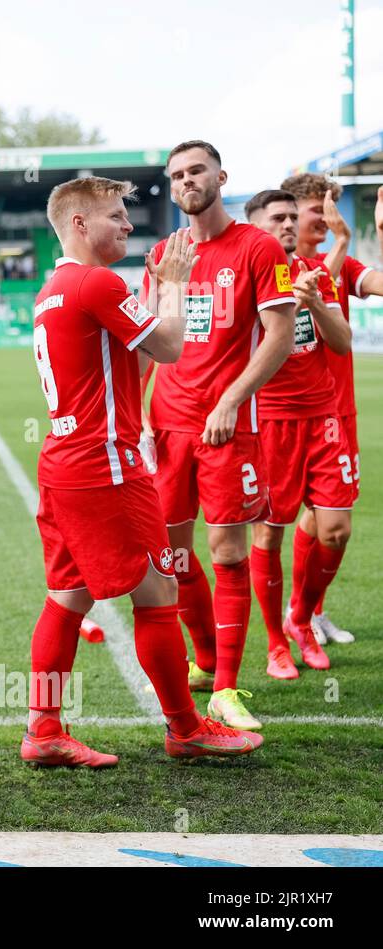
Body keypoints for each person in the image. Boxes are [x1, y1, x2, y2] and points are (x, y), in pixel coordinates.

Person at [23, 176, 260, 767]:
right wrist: (175, 284)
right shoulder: (96, 281)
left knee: (66, 598)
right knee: (157, 595)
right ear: (79, 224)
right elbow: (173, 347)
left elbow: (126, 347)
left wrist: (154, 293)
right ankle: (185, 729)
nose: (128, 225)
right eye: (115, 215)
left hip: (64, 461)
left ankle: (45, 729)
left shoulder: (54, 287)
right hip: (104, 466)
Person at [140, 141, 296, 731]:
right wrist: (134, 418)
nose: (186, 181)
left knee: (228, 552)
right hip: (168, 427)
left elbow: (278, 334)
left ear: (220, 176)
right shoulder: (161, 253)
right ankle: (203, 659)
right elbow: (147, 341)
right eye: (177, 175)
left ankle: (227, 688)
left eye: (196, 170)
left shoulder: (256, 247)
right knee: (173, 557)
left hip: (229, 428)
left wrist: (233, 398)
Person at [243, 190, 350, 677]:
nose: (288, 225)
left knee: (335, 528)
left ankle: (301, 620)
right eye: (277, 218)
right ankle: (274, 644)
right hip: (269, 421)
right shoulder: (245, 277)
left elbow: (343, 342)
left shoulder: (315, 272)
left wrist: (315, 303)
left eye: (292, 217)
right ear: (256, 226)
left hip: (323, 416)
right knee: (268, 534)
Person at [278, 175, 383, 646]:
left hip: (337, 413)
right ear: (290, 211)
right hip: (282, 414)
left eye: (332, 207)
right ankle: (294, 624)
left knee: (331, 526)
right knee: (280, 527)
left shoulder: (334, 262)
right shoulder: (274, 263)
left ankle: (304, 613)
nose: (328, 217)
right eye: (318, 207)